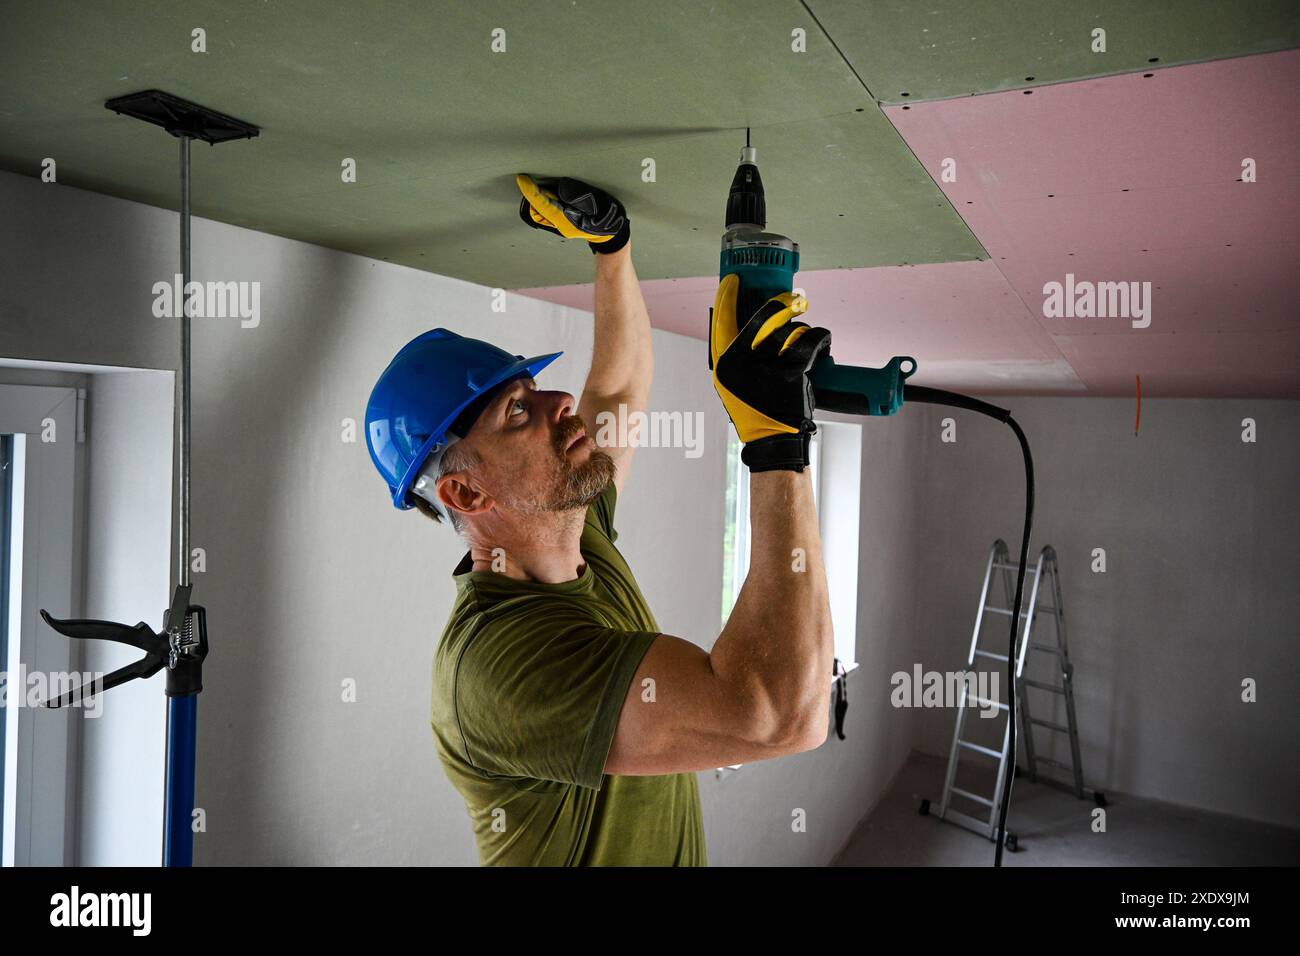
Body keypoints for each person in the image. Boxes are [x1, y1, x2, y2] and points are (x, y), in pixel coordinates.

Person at [364, 175, 834, 866]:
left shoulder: (574, 525)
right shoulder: (497, 670)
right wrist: (777, 446)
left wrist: (611, 248)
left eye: (533, 388)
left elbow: (614, 388)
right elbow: (778, 716)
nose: (559, 401)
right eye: (517, 412)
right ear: (465, 495)